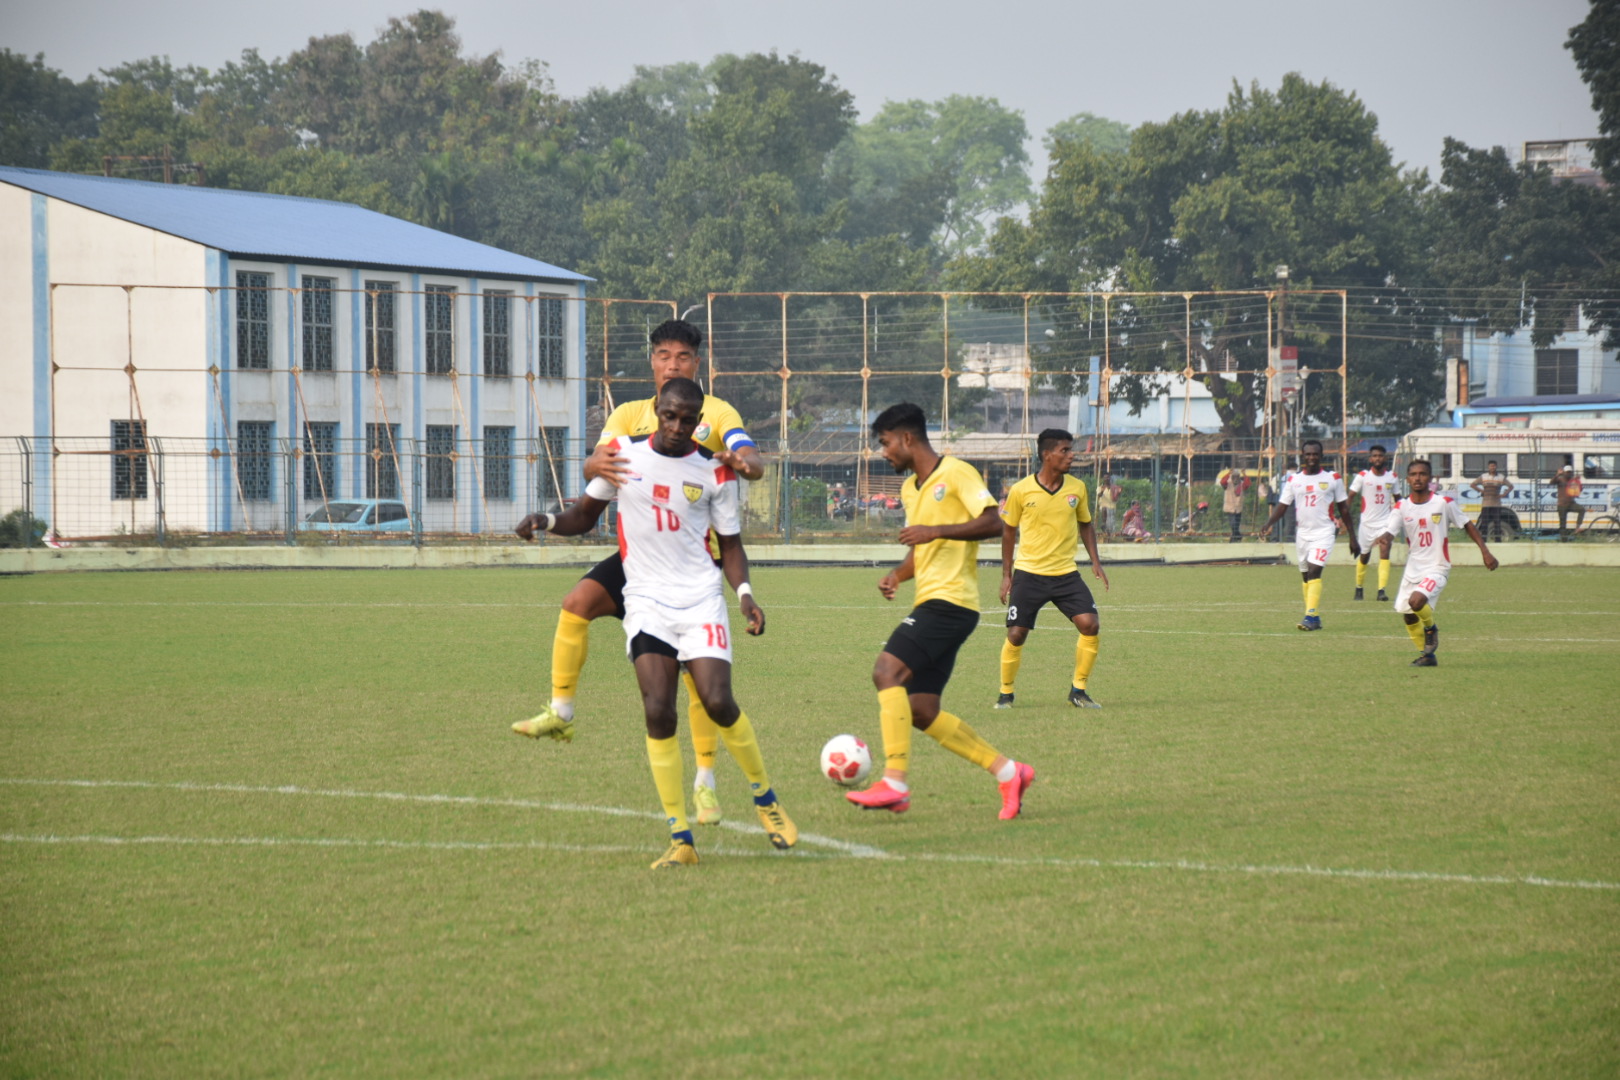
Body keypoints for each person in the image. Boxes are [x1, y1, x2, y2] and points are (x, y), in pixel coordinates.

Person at [514, 378, 795, 868]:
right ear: (657, 410)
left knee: (717, 699)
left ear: (699, 420)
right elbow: (584, 515)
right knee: (659, 711)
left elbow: (731, 547)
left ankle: (765, 799)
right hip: (645, 600)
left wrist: (746, 596)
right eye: (670, 416)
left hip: (701, 597)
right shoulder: (621, 454)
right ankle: (681, 839)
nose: (677, 427)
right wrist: (546, 520)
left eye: (688, 420)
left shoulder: (714, 472)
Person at [847, 403, 1036, 820]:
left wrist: (934, 530)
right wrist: (898, 574)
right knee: (920, 710)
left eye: (885, 443)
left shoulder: (956, 473)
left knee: (886, 672)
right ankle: (1010, 772)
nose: (883, 452)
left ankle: (894, 782)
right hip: (935, 601)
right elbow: (923, 550)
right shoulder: (911, 488)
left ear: (907, 438)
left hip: (951, 602)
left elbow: (996, 522)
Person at [996, 429, 1111, 710]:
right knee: (1016, 635)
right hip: (1029, 573)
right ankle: (1006, 693)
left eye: (1071, 450)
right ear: (1047, 455)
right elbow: (1009, 532)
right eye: (1065, 450)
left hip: (1065, 574)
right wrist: (1007, 575)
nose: (1072, 455)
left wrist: (1095, 560)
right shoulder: (1021, 490)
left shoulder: (1077, 488)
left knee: (1090, 624)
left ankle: (1079, 692)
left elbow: (1085, 523)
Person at [1373, 459, 1499, 666]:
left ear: (1430, 478)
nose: (1418, 478)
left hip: (1437, 567)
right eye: (1413, 474)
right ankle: (1427, 656)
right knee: (1408, 616)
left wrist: (1485, 552)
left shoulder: (1443, 503)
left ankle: (1431, 628)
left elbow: (1466, 524)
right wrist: (1385, 538)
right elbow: (1390, 529)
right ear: (1407, 479)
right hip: (1413, 569)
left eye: (1422, 474)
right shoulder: (1402, 506)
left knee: (1416, 602)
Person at [1258, 440, 1360, 631]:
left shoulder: (1333, 478)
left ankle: (1310, 616)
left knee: (1314, 571)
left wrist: (1353, 537)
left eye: (1315, 454)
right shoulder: (1294, 480)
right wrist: (1268, 523)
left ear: (1321, 456)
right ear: (1303, 456)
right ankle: (1314, 616)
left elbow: (1344, 509)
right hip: (1302, 534)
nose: (1312, 457)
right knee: (1306, 577)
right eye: (1308, 454)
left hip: (1325, 532)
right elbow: (1282, 506)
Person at [1350, 445, 1398, 601]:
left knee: (1385, 550)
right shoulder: (1363, 476)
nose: (1378, 458)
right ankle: (1359, 588)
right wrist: (1344, 517)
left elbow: (1398, 500)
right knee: (1364, 556)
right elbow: (1350, 497)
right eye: (1375, 456)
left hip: (1385, 523)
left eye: (1380, 456)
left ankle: (1381, 591)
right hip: (1366, 525)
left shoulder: (1392, 477)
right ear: (1370, 459)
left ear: (1385, 458)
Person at [1470, 461, 1514, 542]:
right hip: (1486, 504)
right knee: (1484, 522)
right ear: (1488, 467)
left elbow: (1511, 486)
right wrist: (1481, 491)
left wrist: (1504, 494)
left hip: (1496, 504)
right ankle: (1483, 539)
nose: (1492, 467)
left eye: (1494, 466)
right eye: (1491, 466)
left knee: (1497, 522)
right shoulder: (1484, 477)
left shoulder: (1501, 477)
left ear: (1496, 467)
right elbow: (1472, 484)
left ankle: (1498, 539)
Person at [1553, 465, 1585, 540]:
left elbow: (1579, 490)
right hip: (1562, 505)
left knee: (1582, 509)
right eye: (1567, 472)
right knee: (1563, 524)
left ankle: (1577, 528)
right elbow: (1551, 482)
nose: (1568, 473)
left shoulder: (1573, 480)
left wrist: (1578, 481)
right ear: (1564, 472)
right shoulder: (1560, 479)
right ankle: (1563, 540)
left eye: (1570, 472)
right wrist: (1557, 474)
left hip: (1571, 503)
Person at [1221, 469, 1248, 542]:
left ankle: (1234, 538)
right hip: (1230, 507)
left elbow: (1248, 484)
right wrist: (1228, 474)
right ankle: (1237, 536)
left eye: (1237, 476)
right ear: (1232, 477)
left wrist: (1244, 474)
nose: (1235, 478)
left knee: (1236, 525)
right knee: (1233, 524)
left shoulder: (1242, 483)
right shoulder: (1228, 483)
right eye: (1234, 476)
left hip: (1238, 507)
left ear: (1239, 477)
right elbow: (1222, 481)